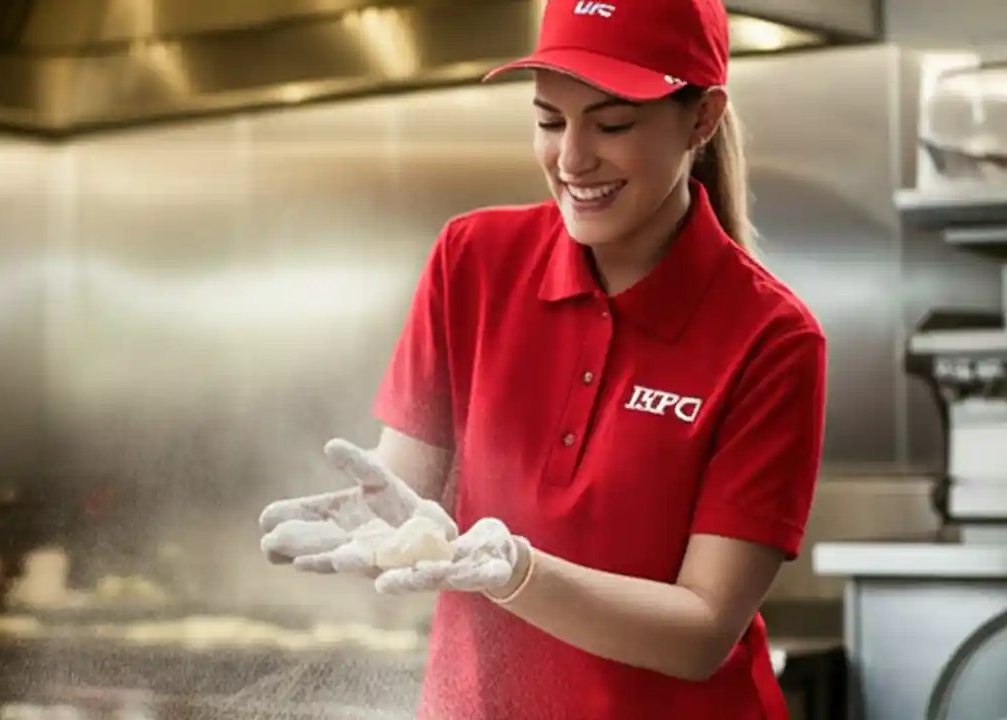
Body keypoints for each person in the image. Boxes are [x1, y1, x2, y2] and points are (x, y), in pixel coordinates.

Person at [258, 0, 828, 717]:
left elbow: (702, 630)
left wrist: (518, 572)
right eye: (550, 121)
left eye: (612, 125)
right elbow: (407, 494)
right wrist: (379, 525)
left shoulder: (772, 339)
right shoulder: (472, 262)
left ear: (702, 119)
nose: (573, 158)